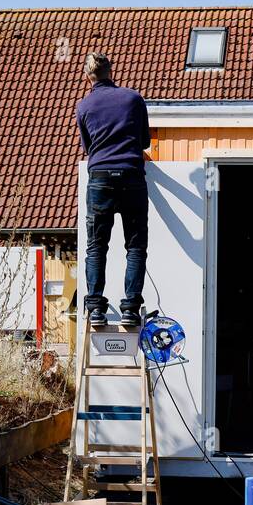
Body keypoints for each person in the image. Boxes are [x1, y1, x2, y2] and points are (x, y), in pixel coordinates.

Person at [76, 51, 151, 327]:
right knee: (135, 245)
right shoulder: (133, 99)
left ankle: (96, 308)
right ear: (111, 70)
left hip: (100, 179)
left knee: (96, 246)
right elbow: (144, 142)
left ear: (88, 76)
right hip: (131, 176)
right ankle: (131, 307)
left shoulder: (83, 107)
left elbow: (89, 148)